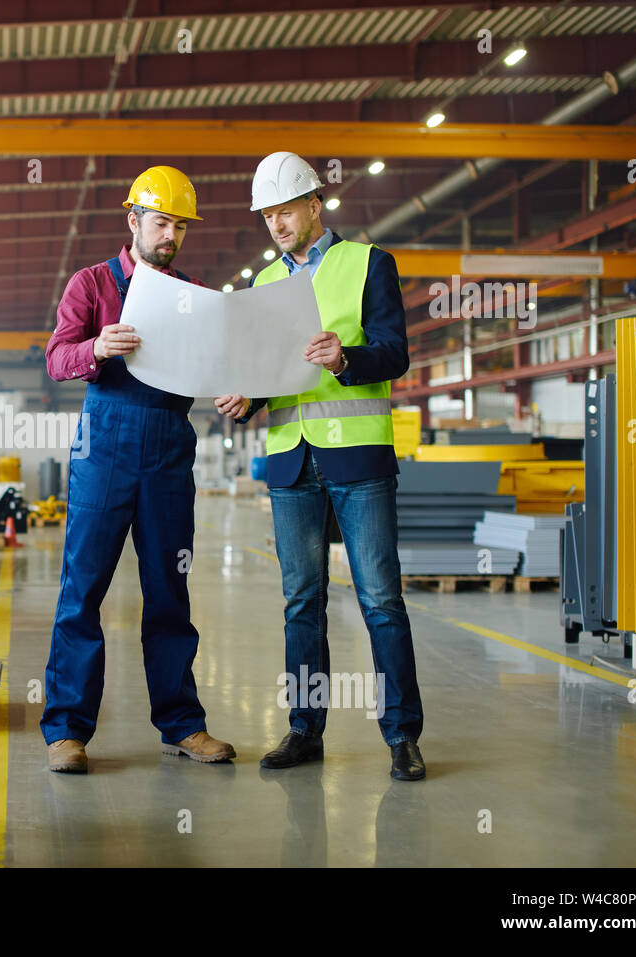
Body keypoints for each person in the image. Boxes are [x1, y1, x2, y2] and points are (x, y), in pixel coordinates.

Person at [215, 151, 426, 781]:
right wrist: (247, 397)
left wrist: (345, 357)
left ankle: (401, 737)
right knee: (300, 603)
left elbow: (395, 354)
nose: (276, 224)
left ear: (315, 205)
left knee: (381, 600)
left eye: (285, 210)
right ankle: (305, 730)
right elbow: (268, 376)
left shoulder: (368, 263)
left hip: (358, 457)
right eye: (267, 215)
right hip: (290, 462)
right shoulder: (261, 286)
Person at [40, 166, 235, 773]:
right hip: (106, 446)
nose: (170, 234)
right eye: (161, 221)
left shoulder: (194, 294)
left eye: (180, 225)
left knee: (169, 592)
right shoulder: (92, 283)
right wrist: (96, 348)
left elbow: (217, 363)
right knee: (83, 589)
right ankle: (67, 731)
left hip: (169, 450)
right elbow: (56, 358)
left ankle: (182, 725)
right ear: (134, 221)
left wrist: (235, 391)